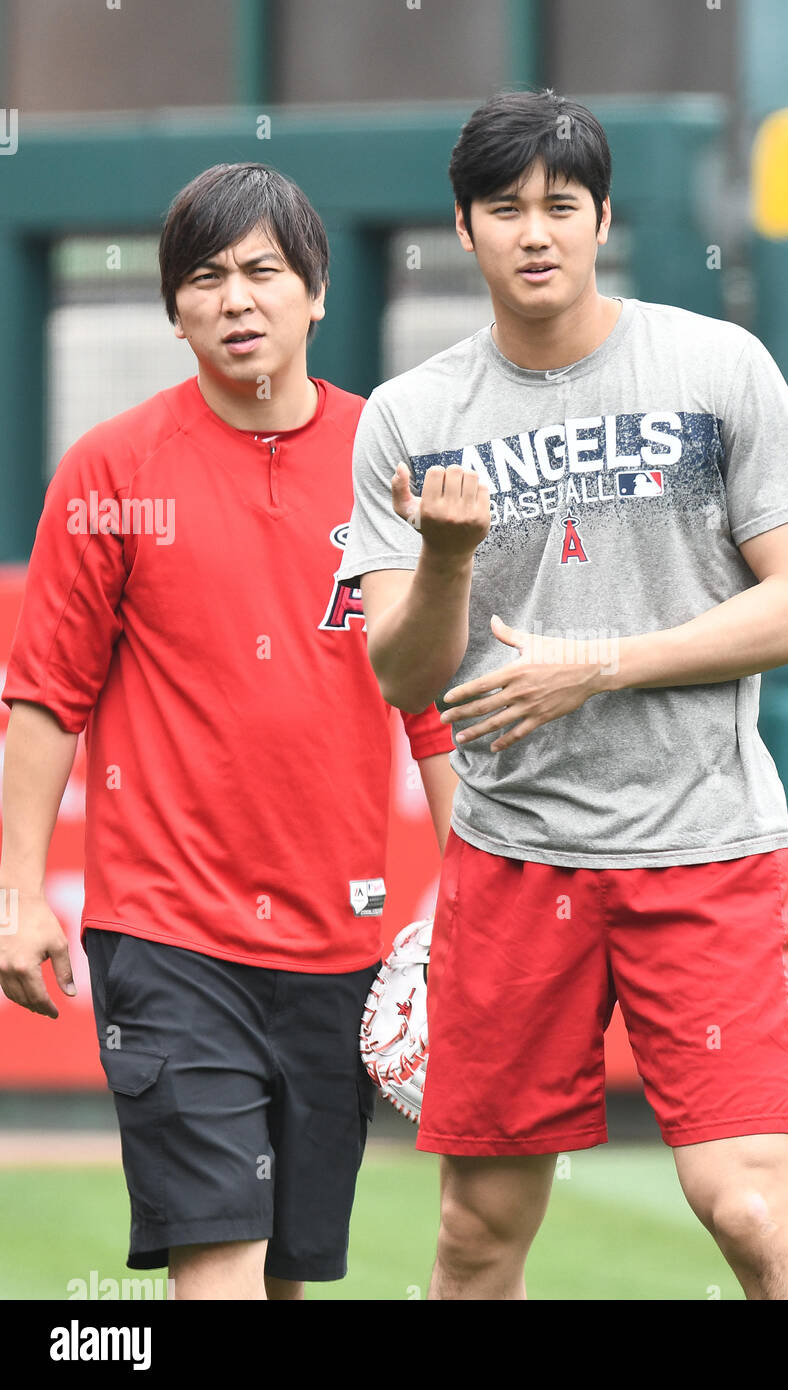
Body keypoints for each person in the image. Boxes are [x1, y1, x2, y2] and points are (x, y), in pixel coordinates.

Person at [339, 89, 788, 1301]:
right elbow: (400, 674)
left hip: (703, 846)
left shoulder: (716, 365)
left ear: (602, 215)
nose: (534, 231)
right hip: (513, 862)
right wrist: (450, 555)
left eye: (560, 204)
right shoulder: (408, 419)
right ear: (462, 229)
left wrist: (599, 663)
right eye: (503, 207)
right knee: (473, 1236)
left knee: (748, 1203)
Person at [0, 163, 457, 1300]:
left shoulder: (388, 464)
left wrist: (471, 890)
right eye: (205, 278)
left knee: (288, 1275)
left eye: (262, 271)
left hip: (337, 944)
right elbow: (48, 694)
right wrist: (15, 892)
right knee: (221, 1261)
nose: (236, 299)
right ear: (174, 310)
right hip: (167, 935)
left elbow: (434, 708)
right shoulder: (110, 471)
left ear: (314, 290)